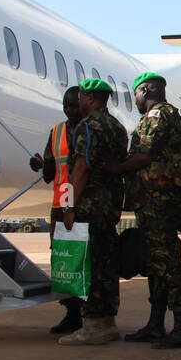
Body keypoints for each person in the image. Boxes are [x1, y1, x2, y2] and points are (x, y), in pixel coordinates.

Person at [104, 72, 181, 348]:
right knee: (156, 263)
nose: (137, 100)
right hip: (154, 200)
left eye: (137, 94)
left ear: (145, 90)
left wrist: (114, 169)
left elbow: (144, 154)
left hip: (159, 201)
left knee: (165, 262)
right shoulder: (166, 115)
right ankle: (156, 323)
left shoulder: (158, 116)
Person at [58, 78, 129, 346]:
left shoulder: (87, 126)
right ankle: (107, 323)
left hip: (88, 206)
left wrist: (68, 206)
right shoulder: (118, 127)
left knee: (87, 266)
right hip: (109, 207)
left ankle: (92, 326)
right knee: (106, 265)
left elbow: (80, 169)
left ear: (88, 98)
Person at [30, 85, 85, 334]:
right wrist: (40, 166)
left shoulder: (92, 129)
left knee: (87, 259)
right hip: (61, 203)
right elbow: (50, 173)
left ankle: (95, 313)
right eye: (66, 105)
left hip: (85, 202)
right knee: (64, 260)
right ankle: (72, 313)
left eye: (73, 105)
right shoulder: (56, 132)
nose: (69, 110)